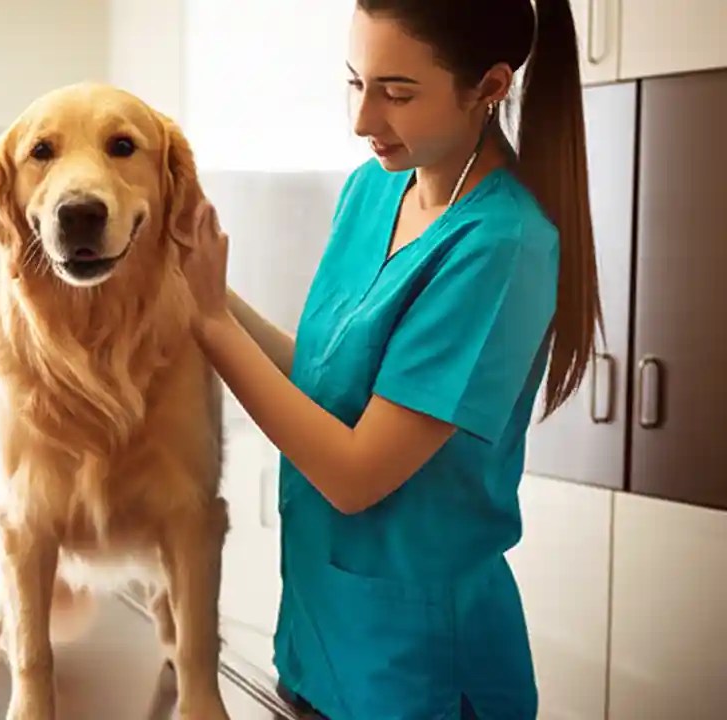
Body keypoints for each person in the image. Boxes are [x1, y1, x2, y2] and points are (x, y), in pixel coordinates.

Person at [180, 0, 600, 718]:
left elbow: (355, 474)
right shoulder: (373, 188)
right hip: (318, 643)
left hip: (419, 672)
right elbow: (321, 382)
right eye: (355, 83)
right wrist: (200, 295)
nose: (363, 120)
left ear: (490, 87)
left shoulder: (502, 246)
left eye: (397, 93)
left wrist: (216, 328)